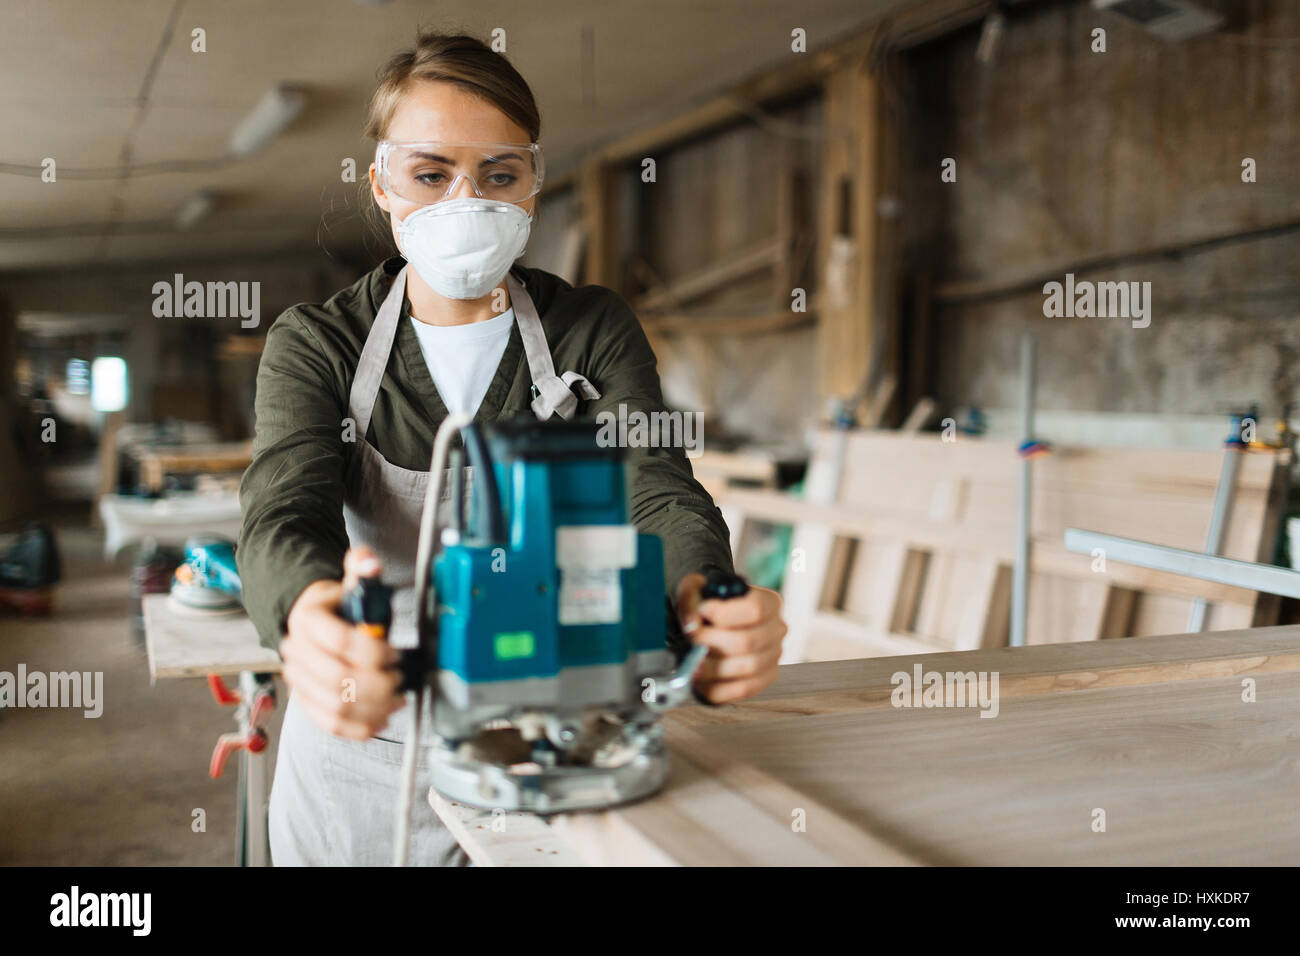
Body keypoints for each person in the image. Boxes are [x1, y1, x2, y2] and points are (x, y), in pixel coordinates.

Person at [237, 31, 787, 866]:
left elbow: (657, 490)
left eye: (500, 174)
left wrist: (699, 600)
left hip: (557, 739)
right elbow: (284, 509)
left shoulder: (590, 330)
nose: (467, 200)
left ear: (532, 185)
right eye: (430, 174)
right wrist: (309, 617)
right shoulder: (319, 342)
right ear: (382, 183)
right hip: (368, 751)